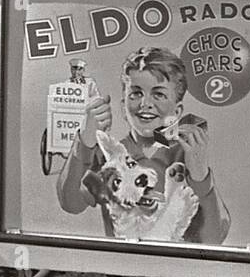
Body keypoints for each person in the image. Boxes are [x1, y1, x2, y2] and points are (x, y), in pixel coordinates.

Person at [57, 45, 230, 245]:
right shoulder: (112, 158)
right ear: (123, 108)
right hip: (126, 260)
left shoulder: (186, 154)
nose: (145, 103)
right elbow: (71, 203)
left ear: (178, 110)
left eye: (158, 94)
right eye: (136, 94)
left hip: (179, 263)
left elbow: (215, 236)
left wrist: (200, 177)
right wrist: (85, 141)